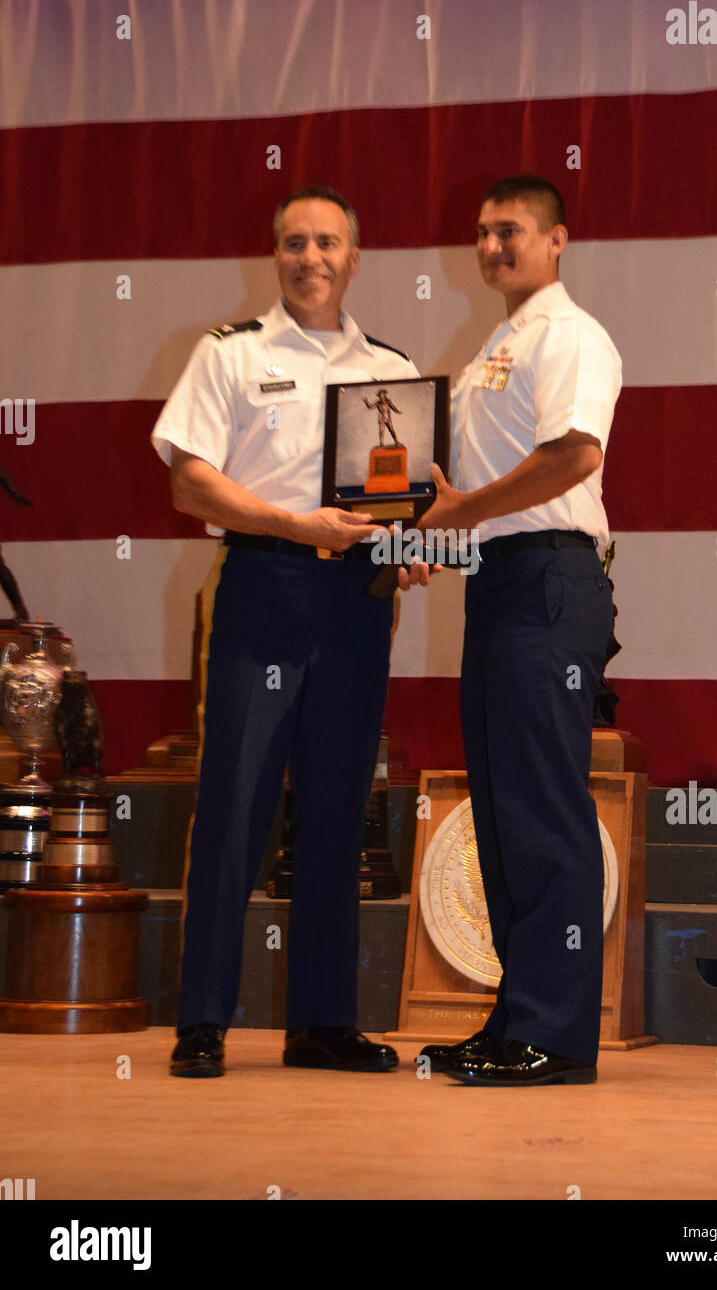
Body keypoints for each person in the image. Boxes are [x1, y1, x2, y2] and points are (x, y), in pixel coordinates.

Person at [151, 186, 429, 1077]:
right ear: (275, 256)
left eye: (327, 243)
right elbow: (189, 481)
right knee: (234, 805)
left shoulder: (390, 367)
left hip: (356, 603)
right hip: (263, 588)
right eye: (295, 243)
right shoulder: (228, 353)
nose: (311, 257)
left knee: (339, 811)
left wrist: (407, 545)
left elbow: (405, 493)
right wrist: (293, 525)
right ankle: (203, 1020)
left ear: (355, 258)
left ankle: (321, 1023)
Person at [418, 174, 622, 1086]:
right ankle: (516, 1017)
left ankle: (557, 1035)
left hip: (548, 580)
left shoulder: (568, 335)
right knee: (505, 814)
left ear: (556, 239)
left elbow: (572, 455)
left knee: (542, 809)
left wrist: (459, 515)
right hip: (500, 581)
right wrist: (420, 536)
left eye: (510, 230)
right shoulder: (495, 347)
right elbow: (470, 499)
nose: (492, 246)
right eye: (482, 232)